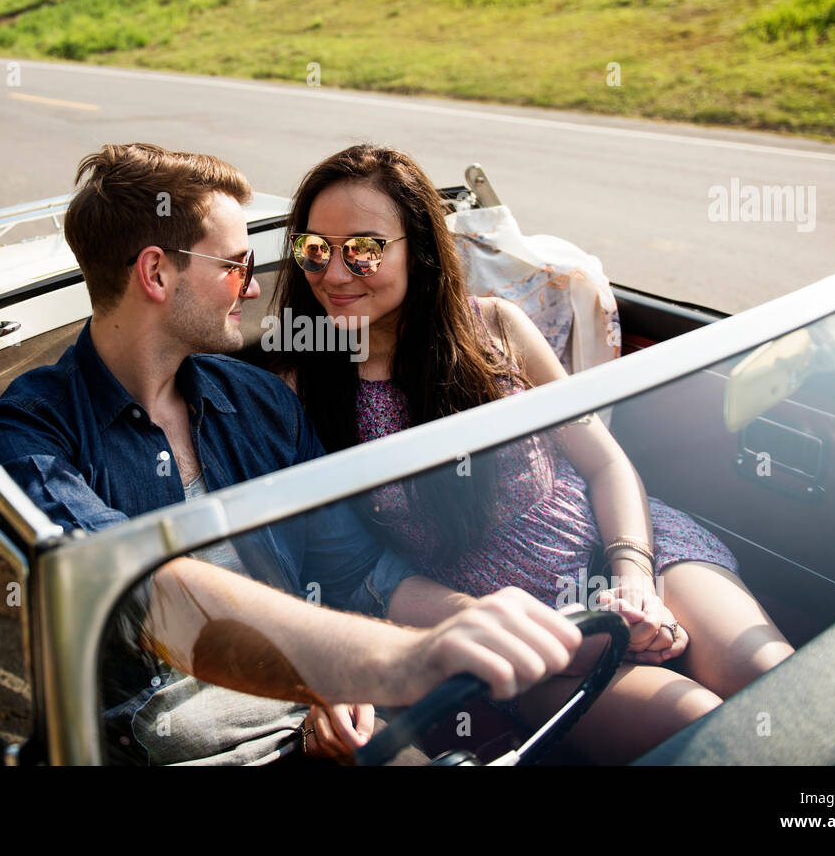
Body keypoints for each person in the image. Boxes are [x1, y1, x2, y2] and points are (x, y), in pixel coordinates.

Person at [0, 143, 585, 766]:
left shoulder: (259, 403)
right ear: (156, 273)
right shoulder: (17, 441)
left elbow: (359, 571)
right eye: (234, 265)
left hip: (319, 727)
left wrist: (491, 625)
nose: (254, 290)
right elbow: (137, 587)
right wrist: (394, 661)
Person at [271, 144, 796, 764]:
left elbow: (603, 461)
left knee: (781, 686)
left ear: (421, 248)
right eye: (314, 249)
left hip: (627, 547)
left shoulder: (496, 328)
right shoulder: (301, 390)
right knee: (701, 729)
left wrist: (632, 581)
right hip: (509, 630)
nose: (333, 273)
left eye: (363, 249)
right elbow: (336, 565)